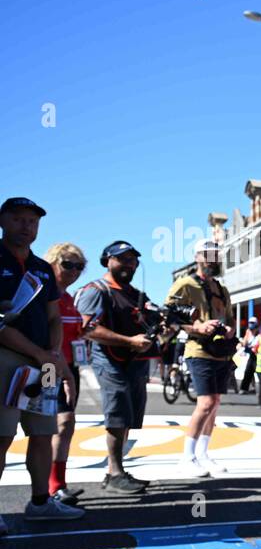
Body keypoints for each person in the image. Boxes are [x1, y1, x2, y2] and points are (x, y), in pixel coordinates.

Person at [0, 198, 84, 530]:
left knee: (42, 432)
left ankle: (40, 502)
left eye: (32, 221)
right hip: (7, 358)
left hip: (42, 360)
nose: (26, 226)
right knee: (2, 435)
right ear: (3, 221)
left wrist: (53, 355)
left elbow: (53, 317)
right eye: (18, 219)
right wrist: (42, 354)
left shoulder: (41, 269)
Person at [76, 241, 163, 494]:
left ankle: (116, 471)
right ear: (107, 261)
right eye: (121, 259)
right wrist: (129, 341)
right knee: (117, 415)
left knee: (127, 418)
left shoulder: (136, 294)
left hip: (135, 363)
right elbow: (87, 328)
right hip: (110, 360)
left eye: (132, 260)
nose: (128, 264)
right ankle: (115, 473)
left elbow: (151, 324)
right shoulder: (97, 290)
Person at [167, 239, 236, 479]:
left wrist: (229, 329)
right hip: (198, 350)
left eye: (217, 255)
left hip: (221, 351)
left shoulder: (221, 288)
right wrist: (197, 326)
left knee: (215, 403)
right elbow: (169, 315)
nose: (214, 259)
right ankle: (187, 456)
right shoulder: (186, 284)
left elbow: (230, 317)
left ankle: (204, 453)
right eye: (208, 255)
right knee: (205, 403)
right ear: (198, 257)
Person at [45, 242, 89, 505]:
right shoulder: (46, 296)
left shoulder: (69, 298)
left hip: (69, 366)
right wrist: (64, 376)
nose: (73, 271)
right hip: (51, 368)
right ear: (52, 263)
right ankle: (50, 487)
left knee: (65, 424)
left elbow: (69, 336)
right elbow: (49, 339)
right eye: (68, 264)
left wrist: (82, 331)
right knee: (55, 425)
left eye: (79, 267)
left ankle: (57, 484)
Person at [238, 317, 260, 394]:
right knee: (248, 371)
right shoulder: (248, 331)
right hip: (251, 353)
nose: (251, 325)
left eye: (252, 323)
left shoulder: (260, 332)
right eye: (250, 323)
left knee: (259, 372)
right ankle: (244, 388)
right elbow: (245, 342)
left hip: (258, 354)